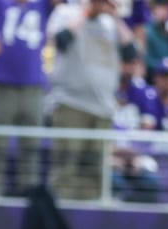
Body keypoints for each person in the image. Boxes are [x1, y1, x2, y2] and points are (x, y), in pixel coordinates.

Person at [47, 0, 138, 201]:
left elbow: (132, 52)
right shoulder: (67, 13)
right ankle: (62, 213)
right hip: (72, 104)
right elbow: (61, 41)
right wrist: (85, 12)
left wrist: (115, 17)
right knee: (66, 166)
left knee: (95, 169)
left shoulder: (111, 23)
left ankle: (89, 215)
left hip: (103, 107)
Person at [0, 0, 46, 197]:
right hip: (3, 83)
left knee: (31, 147)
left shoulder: (41, 5)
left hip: (33, 85)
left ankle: (30, 195)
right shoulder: (0, 4)